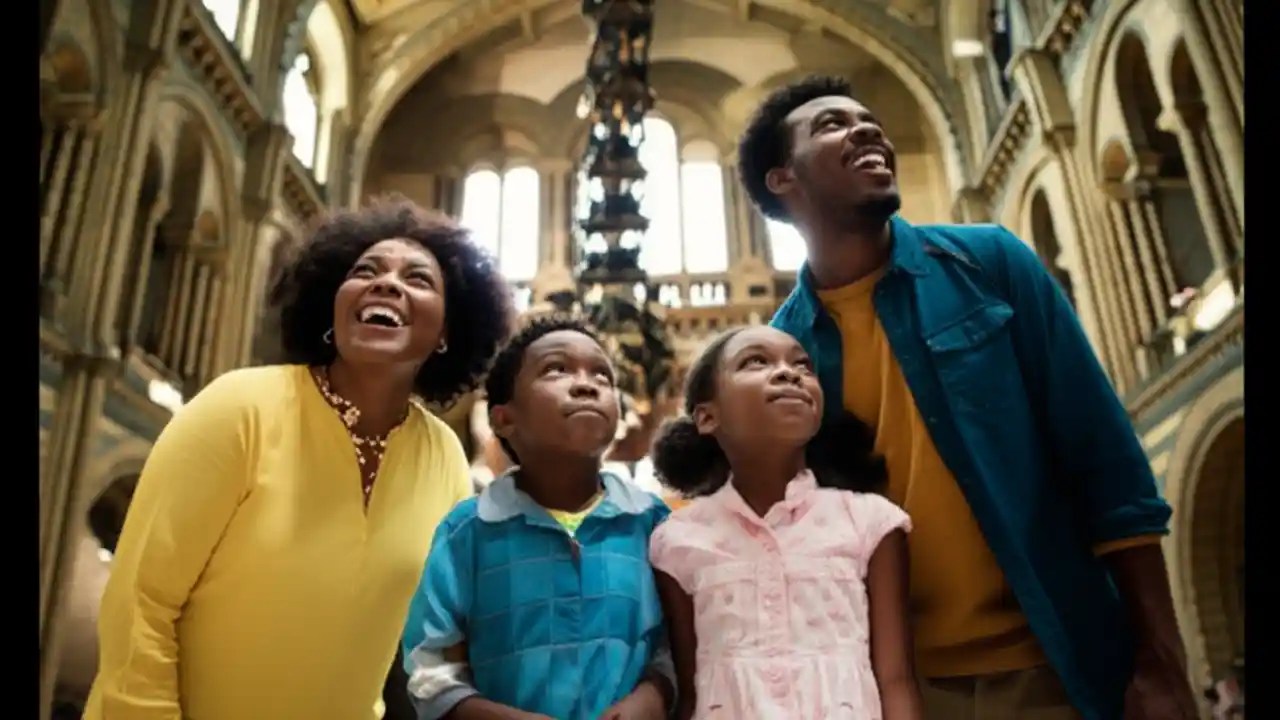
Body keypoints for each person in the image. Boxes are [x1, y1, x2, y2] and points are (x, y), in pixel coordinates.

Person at [738, 74, 1198, 720]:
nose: (867, 129)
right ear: (782, 178)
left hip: (1058, 667)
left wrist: (1162, 661)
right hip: (903, 692)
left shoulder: (992, 263)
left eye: (868, 119)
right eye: (832, 126)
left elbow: (1107, 463)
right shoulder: (784, 352)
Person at [85, 196, 515, 719]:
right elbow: (140, 605)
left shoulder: (444, 454)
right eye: (365, 271)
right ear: (333, 306)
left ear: (447, 331)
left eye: (418, 279)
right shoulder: (240, 407)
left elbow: (434, 633)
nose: (386, 284)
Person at [401, 315, 675, 720]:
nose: (586, 384)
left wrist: (654, 696)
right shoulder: (468, 532)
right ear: (504, 419)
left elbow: (680, 642)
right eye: (556, 369)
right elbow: (430, 666)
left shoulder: (653, 525)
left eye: (603, 375)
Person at [647, 325, 922, 720]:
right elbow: (692, 689)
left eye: (804, 366)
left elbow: (896, 680)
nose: (789, 373)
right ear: (708, 417)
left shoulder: (870, 524)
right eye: (756, 361)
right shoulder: (676, 542)